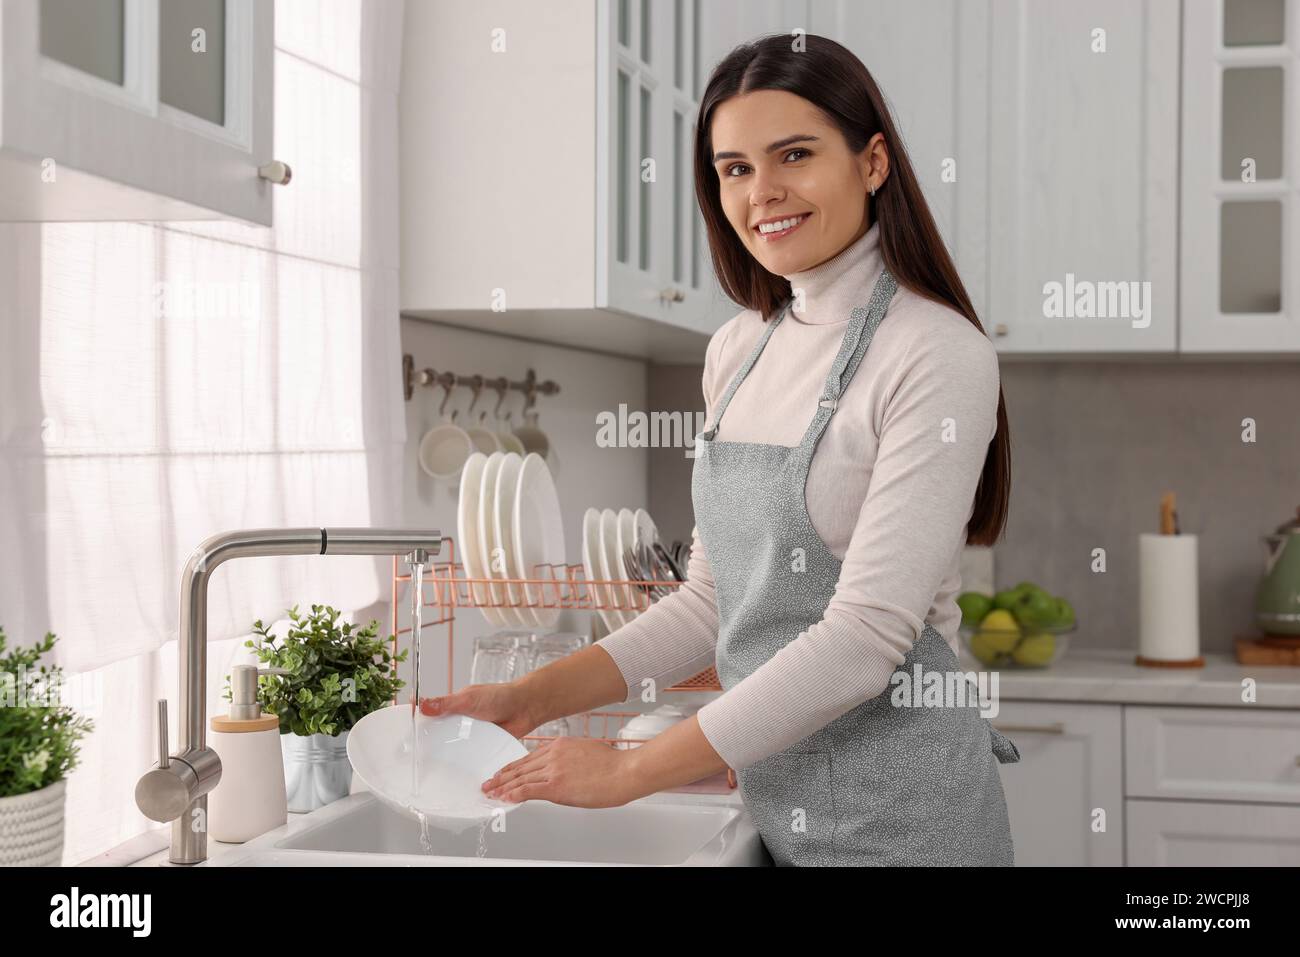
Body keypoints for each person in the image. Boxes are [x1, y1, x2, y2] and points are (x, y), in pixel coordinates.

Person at [420, 33, 1020, 866]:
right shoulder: (739, 351)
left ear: (872, 161)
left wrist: (629, 769)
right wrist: (528, 698)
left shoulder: (935, 352)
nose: (762, 192)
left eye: (795, 155)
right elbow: (709, 603)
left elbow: (862, 641)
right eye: (734, 168)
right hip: (778, 813)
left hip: (905, 827)